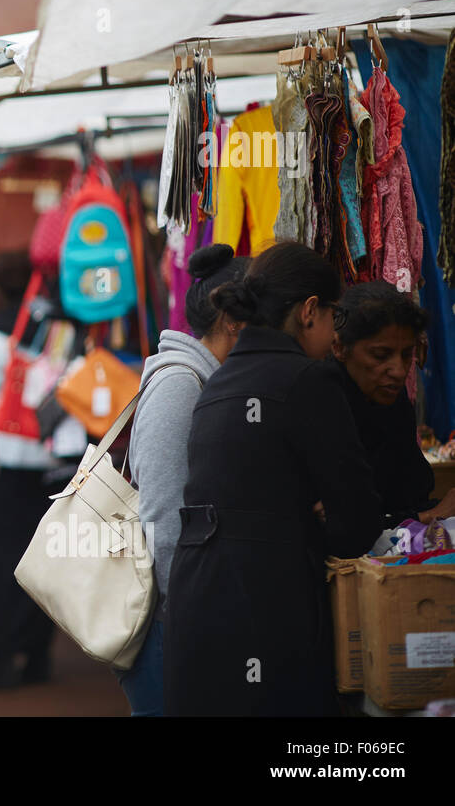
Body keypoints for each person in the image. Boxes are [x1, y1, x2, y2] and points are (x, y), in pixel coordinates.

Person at [164, 241, 382, 716]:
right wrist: (313, 522)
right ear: (309, 311)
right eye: (334, 317)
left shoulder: (219, 381)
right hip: (267, 611)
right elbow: (359, 520)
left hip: (197, 613)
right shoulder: (309, 379)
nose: (334, 334)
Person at [115, 243, 248, 716]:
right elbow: (163, 515)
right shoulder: (181, 384)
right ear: (235, 320)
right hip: (166, 619)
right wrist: (185, 611)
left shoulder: (202, 380)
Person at [0, 251, 57, 688]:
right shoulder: (52, 330)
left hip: (1, 465)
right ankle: (38, 655)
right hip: (48, 462)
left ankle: (1, 658)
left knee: (0, 560)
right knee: (45, 559)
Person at [331, 281, 451, 524]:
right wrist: (426, 516)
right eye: (380, 355)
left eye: (407, 354)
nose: (398, 371)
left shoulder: (393, 404)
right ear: (339, 348)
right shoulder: (320, 408)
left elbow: (411, 493)